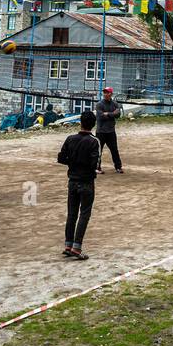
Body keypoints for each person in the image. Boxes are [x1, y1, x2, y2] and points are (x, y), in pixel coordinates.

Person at [57, 110, 100, 260]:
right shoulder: (94, 141)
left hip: (72, 181)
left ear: (80, 122)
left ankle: (68, 245)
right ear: (93, 125)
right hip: (87, 182)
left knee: (72, 214)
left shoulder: (70, 139)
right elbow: (95, 164)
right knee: (84, 214)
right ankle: (77, 247)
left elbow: (61, 158)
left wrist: (73, 162)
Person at [94, 86, 123, 174]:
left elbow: (118, 114)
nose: (105, 94)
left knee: (114, 150)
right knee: (98, 151)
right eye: (104, 92)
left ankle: (118, 167)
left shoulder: (114, 103)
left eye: (107, 92)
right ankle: (97, 168)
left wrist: (108, 114)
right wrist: (112, 114)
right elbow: (101, 116)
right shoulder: (99, 104)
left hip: (111, 131)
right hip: (101, 132)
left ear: (111, 94)